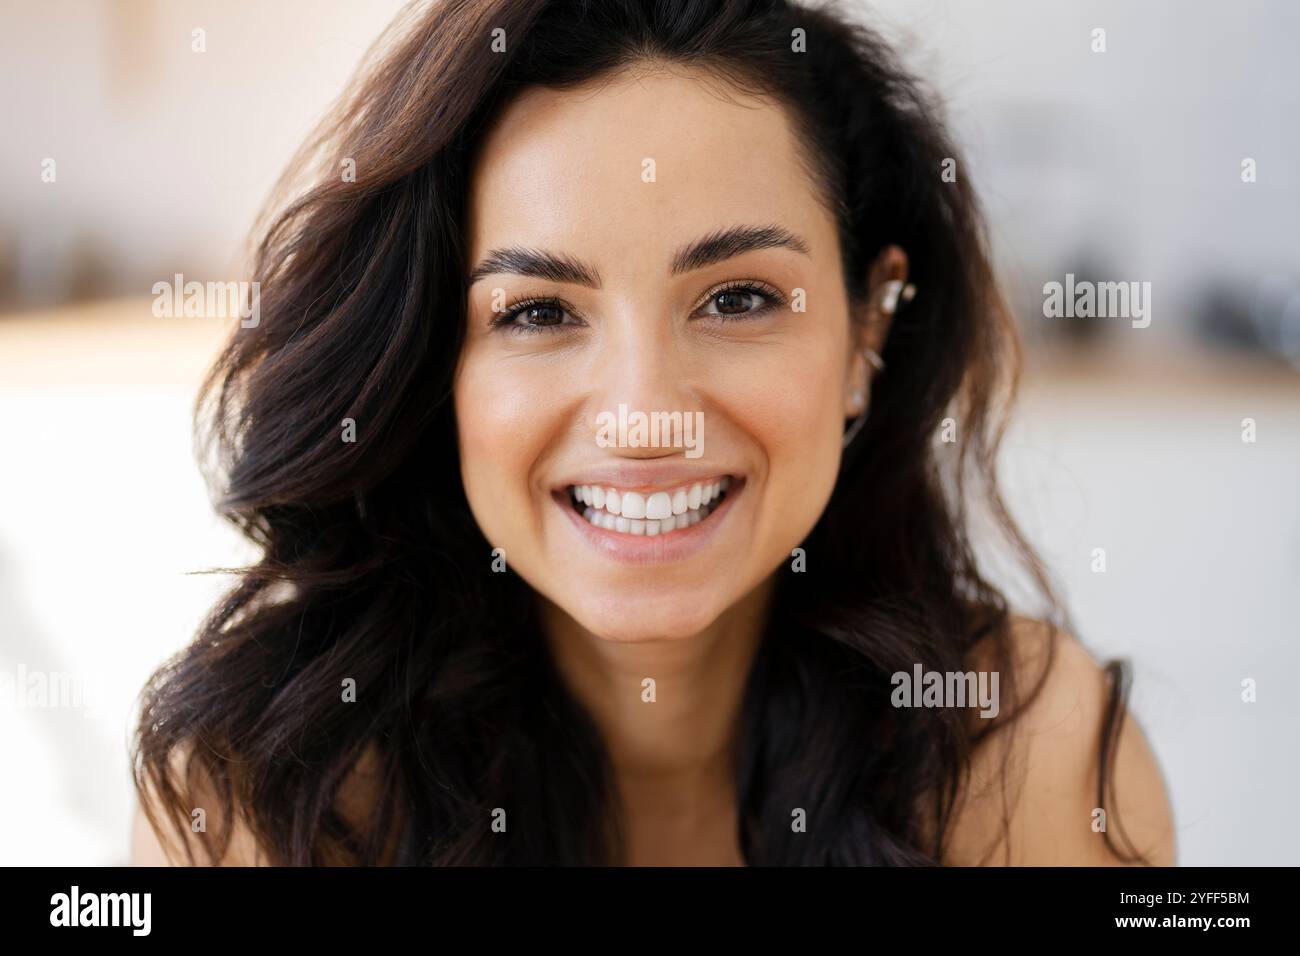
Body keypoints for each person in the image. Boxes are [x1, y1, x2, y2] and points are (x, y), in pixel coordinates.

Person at [132, 0, 1174, 866]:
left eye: (738, 299)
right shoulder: (261, 789)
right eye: (536, 311)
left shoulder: (1029, 757)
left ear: (868, 329)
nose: (643, 414)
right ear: (429, 364)